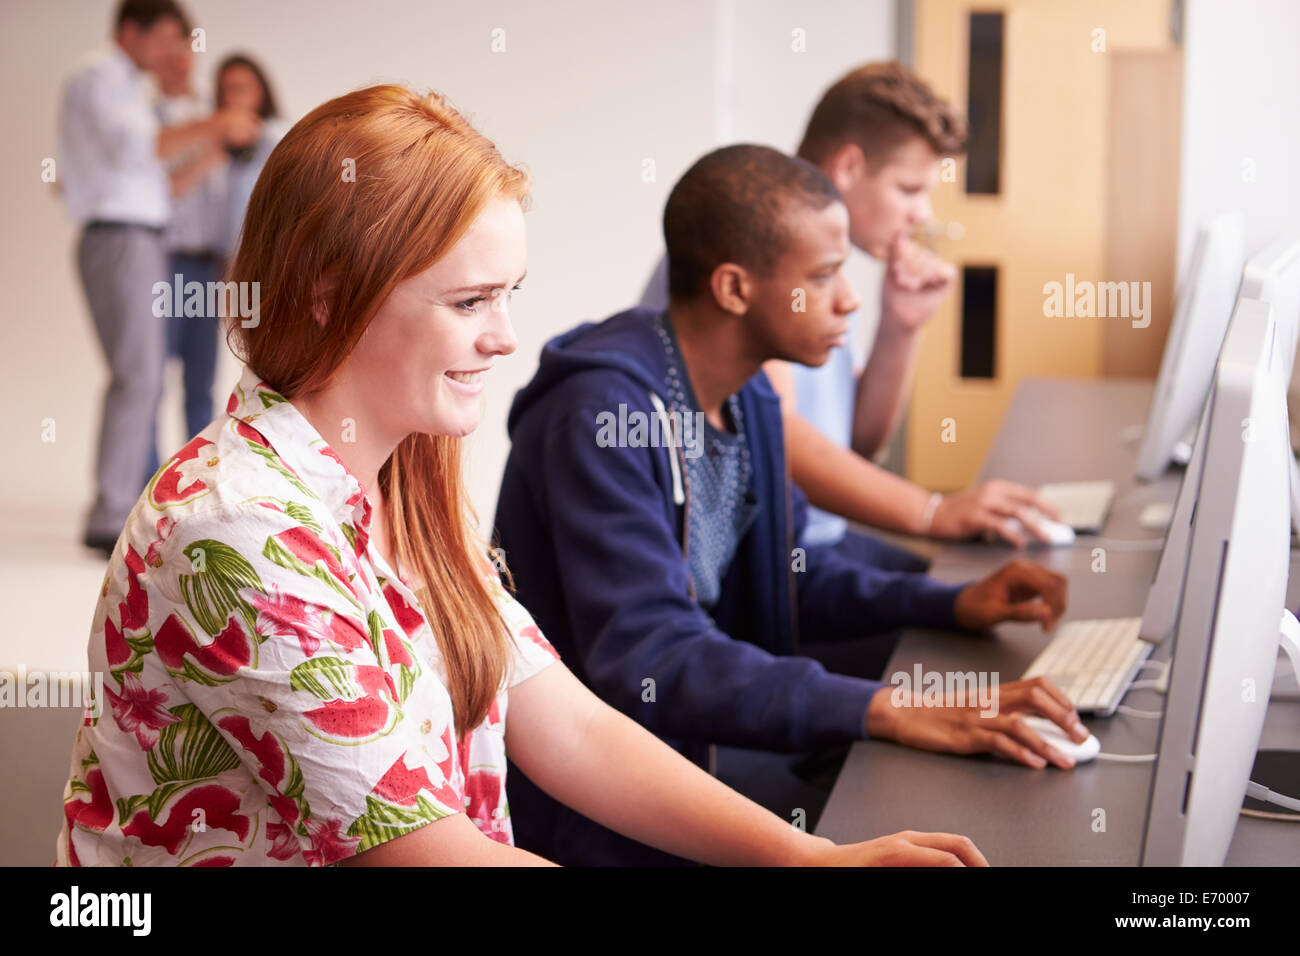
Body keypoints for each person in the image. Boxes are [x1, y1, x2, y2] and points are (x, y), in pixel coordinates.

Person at [55, 86, 989, 867]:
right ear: (329, 295)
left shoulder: (404, 473)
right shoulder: (238, 531)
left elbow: (568, 727)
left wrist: (812, 859)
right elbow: (433, 856)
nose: (504, 338)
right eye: (468, 302)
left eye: (509, 296)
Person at [495, 144, 1087, 866]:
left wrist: (950, 603)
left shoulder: (743, 397)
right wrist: (890, 708)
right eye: (825, 275)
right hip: (605, 816)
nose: (852, 298)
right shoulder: (601, 412)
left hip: (696, 759)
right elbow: (651, 653)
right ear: (735, 289)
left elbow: (792, 567)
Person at [640, 62, 1062, 555]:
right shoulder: (758, 251)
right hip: (759, 562)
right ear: (849, 167)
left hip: (817, 543)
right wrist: (932, 511)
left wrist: (902, 327)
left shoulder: (827, 270)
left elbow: (857, 444)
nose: (923, 214)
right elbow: (779, 436)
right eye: (909, 189)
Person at [58, 0, 261, 558]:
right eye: (167, 39)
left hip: (146, 243)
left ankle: (133, 504)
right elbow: (139, 150)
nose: (174, 53)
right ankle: (118, 509)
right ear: (132, 32)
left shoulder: (126, 86)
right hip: (129, 240)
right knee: (141, 377)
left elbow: (144, 167)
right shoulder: (101, 76)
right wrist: (218, 125)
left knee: (152, 377)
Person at [145, 36, 237, 479]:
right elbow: (161, 189)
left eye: (186, 52)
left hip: (207, 265)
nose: (179, 63)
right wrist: (209, 154)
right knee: (150, 380)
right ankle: (143, 484)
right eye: (169, 53)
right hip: (163, 263)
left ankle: (195, 482)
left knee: (200, 383)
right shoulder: (146, 120)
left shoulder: (210, 112)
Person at [213, 53, 289, 265]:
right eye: (226, 90)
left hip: (269, 257)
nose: (232, 98)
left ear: (260, 93)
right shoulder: (216, 147)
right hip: (228, 259)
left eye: (241, 88)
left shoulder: (278, 138)